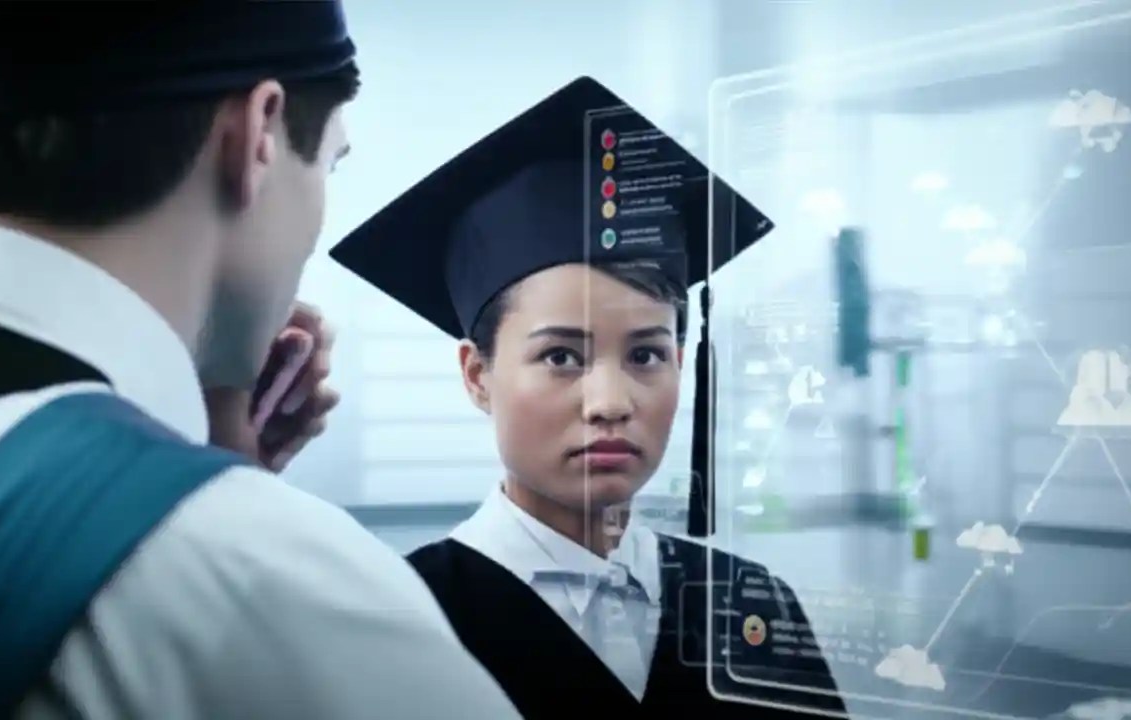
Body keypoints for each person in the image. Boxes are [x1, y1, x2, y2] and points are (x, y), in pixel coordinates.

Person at [0, 4, 521, 719]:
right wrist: (220, 499)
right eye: (329, 163)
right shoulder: (273, 584)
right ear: (258, 134)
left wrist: (201, 454)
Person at [331, 76, 850, 718]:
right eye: (561, 357)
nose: (610, 402)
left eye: (645, 355)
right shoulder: (401, 625)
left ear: (680, 362)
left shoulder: (751, 607)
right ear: (477, 375)